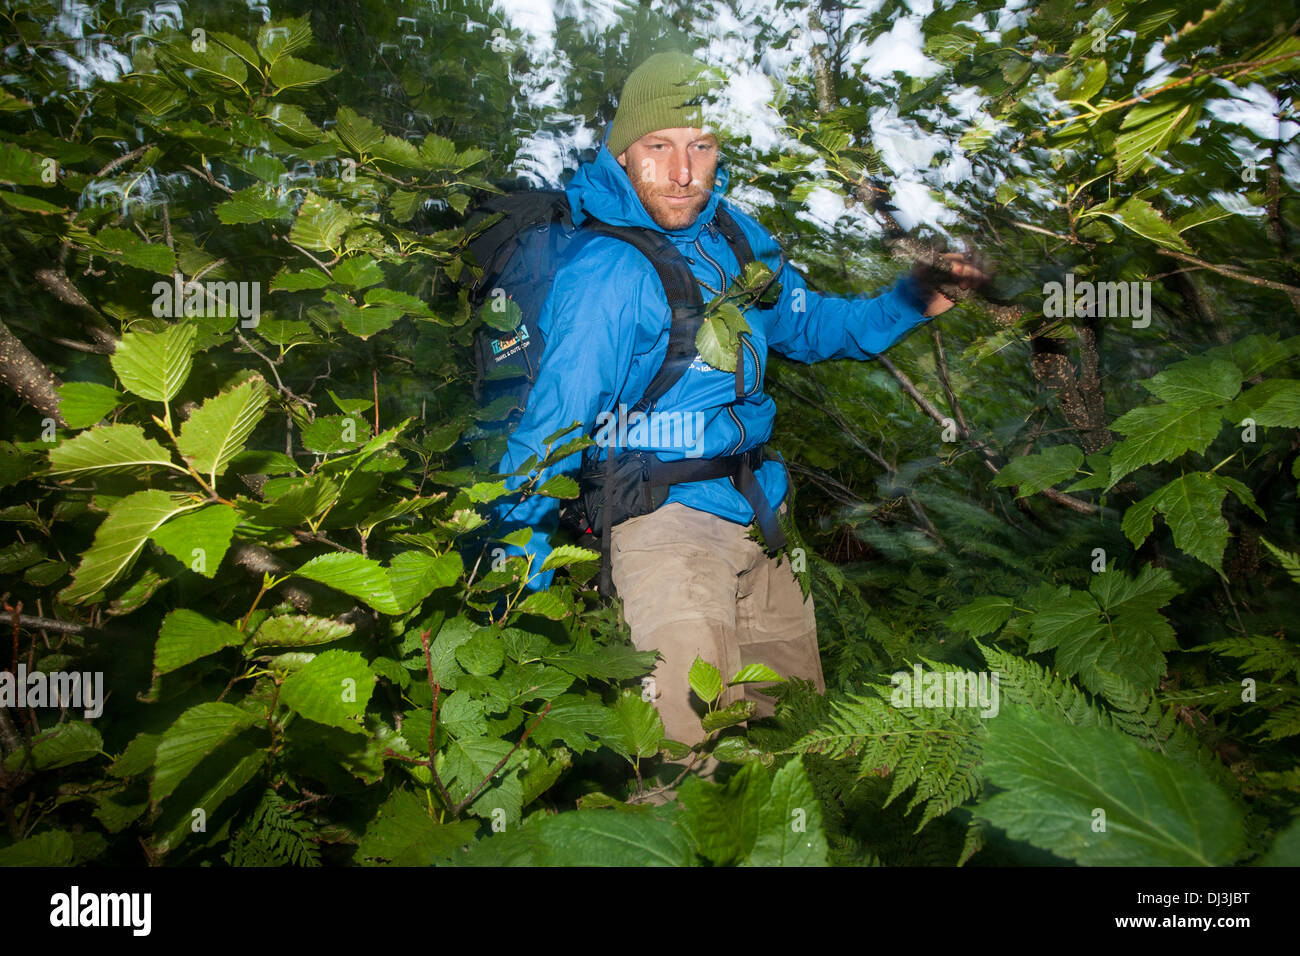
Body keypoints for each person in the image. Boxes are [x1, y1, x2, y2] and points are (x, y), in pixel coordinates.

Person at [492, 52, 986, 786]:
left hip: (762, 521)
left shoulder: (733, 236)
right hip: (664, 536)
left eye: (702, 145)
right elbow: (552, 429)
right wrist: (517, 582)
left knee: (795, 752)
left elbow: (809, 326)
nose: (684, 171)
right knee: (683, 773)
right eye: (659, 147)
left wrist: (909, 301)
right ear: (623, 152)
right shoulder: (608, 275)